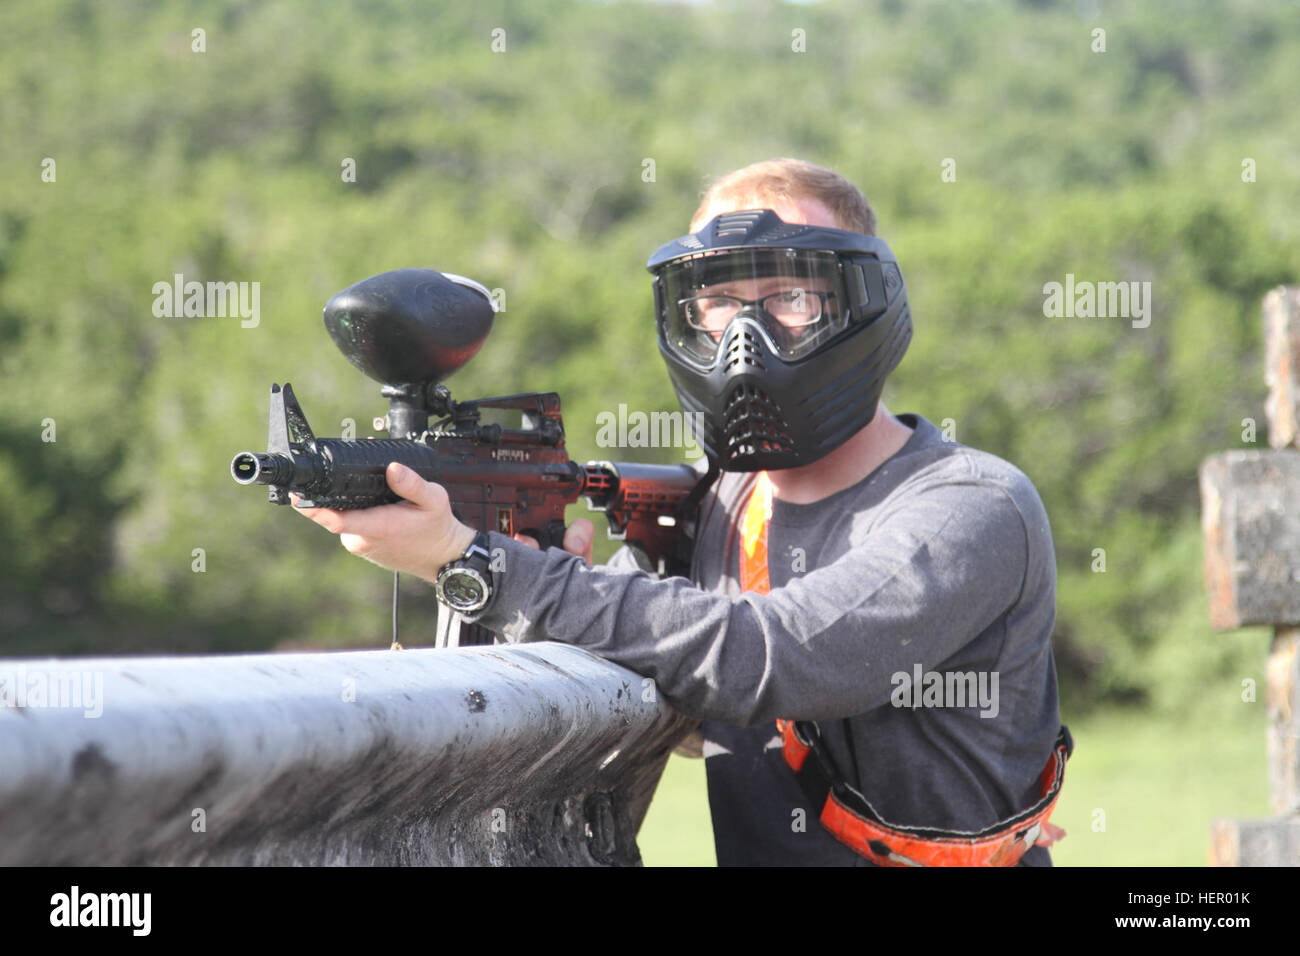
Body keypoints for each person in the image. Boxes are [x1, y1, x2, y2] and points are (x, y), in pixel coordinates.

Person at [294, 158, 1070, 867]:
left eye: (792, 297)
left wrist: (476, 563)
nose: (746, 335)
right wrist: (537, 565)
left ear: (865, 301)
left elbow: (777, 658)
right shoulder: (719, 503)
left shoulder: (969, 505)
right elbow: (647, 650)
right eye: (719, 303)